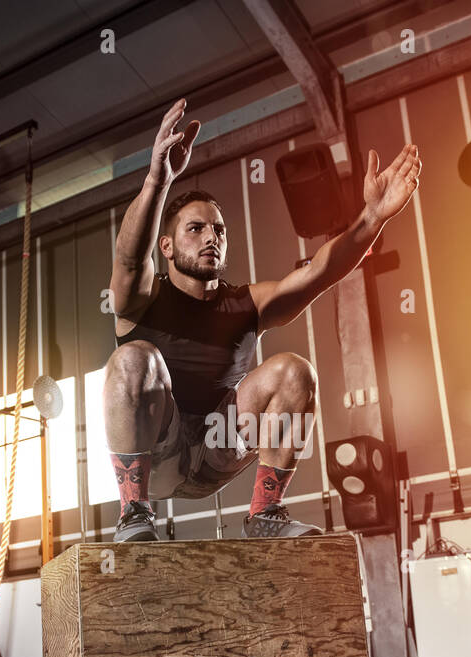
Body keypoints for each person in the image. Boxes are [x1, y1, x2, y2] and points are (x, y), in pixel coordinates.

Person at [106, 97, 421, 541]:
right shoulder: (141, 298)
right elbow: (127, 255)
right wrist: (158, 179)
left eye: (219, 230)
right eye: (195, 229)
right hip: (160, 457)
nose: (211, 237)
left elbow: (318, 273)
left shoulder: (246, 304)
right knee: (134, 359)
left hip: (219, 451)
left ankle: (264, 514)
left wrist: (372, 218)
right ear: (168, 247)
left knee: (295, 371)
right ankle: (133, 513)